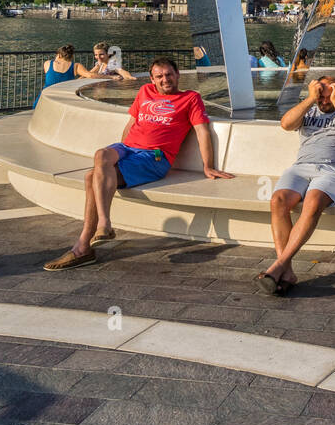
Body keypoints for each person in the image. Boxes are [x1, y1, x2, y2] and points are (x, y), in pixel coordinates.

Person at [42, 56, 232, 270]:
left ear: (178, 75)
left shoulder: (190, 98)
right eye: (159, 76)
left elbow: (202, 131)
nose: (165, 79)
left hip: (154, 157)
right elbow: (131, 123)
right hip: (128, 149)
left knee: (90, 177)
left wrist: (208, 165)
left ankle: (83, 247)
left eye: (169, 74)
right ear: (152, 79)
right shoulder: (144, 92)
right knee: (101, 155)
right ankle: (103, 225)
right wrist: (121, 152)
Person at [259, 75, 335, 294]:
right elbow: (286, 124)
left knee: (313, 200)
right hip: (300, 167)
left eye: (328, 96)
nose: (324, 101)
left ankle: (279, 266)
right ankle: (285, 270)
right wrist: (310, 98)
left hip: (332, 171)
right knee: (277, 200)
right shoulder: (308, 110)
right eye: (321, 96)